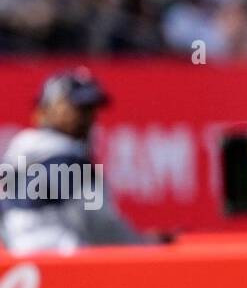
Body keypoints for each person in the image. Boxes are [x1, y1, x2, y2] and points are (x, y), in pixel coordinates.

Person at [0, 68, 144, 254]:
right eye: (79, 108)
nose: (88, 117)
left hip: (20, 266)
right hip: (64, 265)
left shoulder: (16, 154)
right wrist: (143, 244)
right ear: (46, 110)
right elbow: (100, 223)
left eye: (90, 109)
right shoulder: (72, 160)